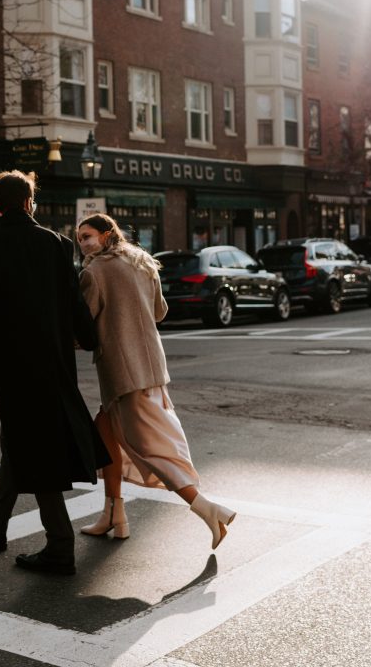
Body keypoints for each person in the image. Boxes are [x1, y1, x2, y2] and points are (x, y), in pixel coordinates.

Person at [0, 170, 110, 576]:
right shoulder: (56, 245)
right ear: (30, 202)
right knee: (24, 440)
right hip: (53, 362)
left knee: (31, 444)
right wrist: (92, 340)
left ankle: (60, 545)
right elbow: (75, 309)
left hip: (11, 367)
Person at [77, 213, 236, 550]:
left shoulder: (93, 273)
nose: (84, 244)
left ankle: (208, 509)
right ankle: (113, 513)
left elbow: (84, 328)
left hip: (123, 371)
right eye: (80, 239)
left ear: (107, 235)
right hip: (150, 366)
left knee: (150, 450)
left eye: (88, 236)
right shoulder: (143, 262)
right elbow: (160, 311)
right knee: (104, 432)